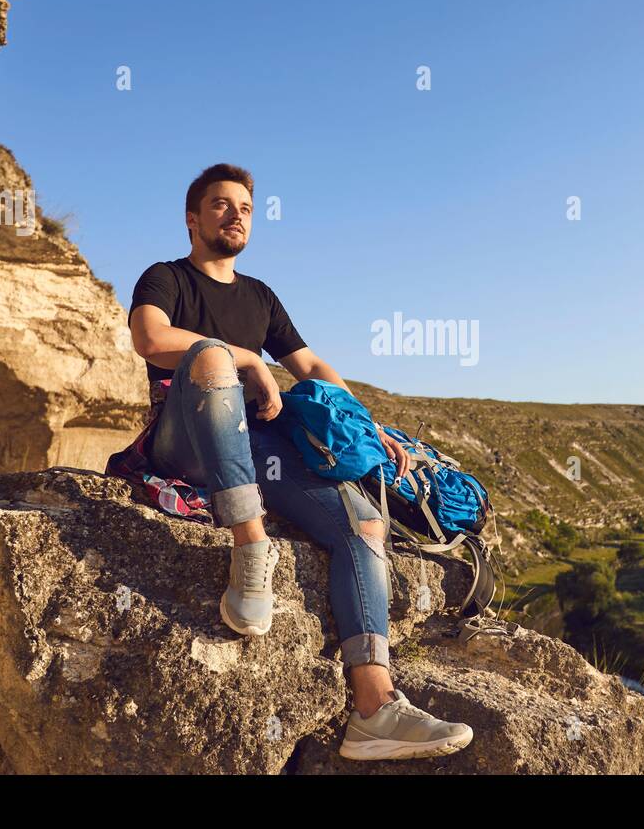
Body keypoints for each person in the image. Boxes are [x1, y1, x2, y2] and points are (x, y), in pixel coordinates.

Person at [115, 163, 474, 761]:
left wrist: (369, 426)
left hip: (259, 446)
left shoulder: (260, 295)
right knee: (208, 359)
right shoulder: (165, 278)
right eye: (221, 205)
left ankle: (374, 706)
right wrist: (247, 361)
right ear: (192, 218)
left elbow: (311, 368)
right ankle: (250, 543)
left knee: (364, 524)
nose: (236, 216)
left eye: (246, 209)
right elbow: (151, 340)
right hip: (185, 443)